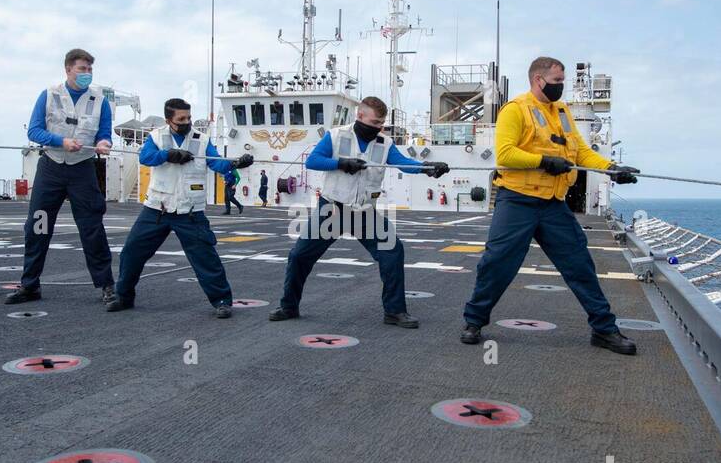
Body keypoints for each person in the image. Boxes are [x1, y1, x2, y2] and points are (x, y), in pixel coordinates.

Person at [461, 57, 641, 354]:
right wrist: (545, 162)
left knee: (579, 264)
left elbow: (581, 152)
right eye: (557, 81)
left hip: (552, 204)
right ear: (538, 80)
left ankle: (604, 329)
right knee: (497, 265)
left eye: (562, 81)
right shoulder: (515, 110)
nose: (561, 87)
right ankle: (474, 321)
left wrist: (612, 168)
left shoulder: (562, 111)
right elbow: (504, 155)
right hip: (517, 201)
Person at [268, 96, 448, 328]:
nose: (377, 128)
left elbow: (403, 163)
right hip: (332, 208)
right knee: (299, 256)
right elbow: (312, 161)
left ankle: (394, 312)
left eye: (381, 124)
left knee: (393, 251)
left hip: (365, 213)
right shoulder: (335, 135)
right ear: (360, 116)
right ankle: (288, 306)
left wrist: (427, 168)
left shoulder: (385, 143)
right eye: (374, 123)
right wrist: (340, 164)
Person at [107, 99, 254, 317]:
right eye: (181, 119)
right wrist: (168, 155)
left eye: (188, 118)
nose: (186, 122)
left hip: (190, 210)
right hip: (157, 208)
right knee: (132, 252)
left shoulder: (202, 140)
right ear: (169, 120)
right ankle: (123, 296)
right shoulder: (157, 137)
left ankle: (222, 301)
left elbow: (215, 163)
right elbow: (146, 158)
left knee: (205, 258)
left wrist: (234, 164)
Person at [7, 48, 116, 306]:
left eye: (90, 70)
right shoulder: (48, 95)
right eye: (82, 69)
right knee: (38, 226)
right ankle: (30, 285)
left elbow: (105, 133)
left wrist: (103, 143)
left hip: (82, 169)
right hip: (52, 168)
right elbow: (34, 131)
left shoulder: (99, 101)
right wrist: (60, 141)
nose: (87, 73)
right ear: (68, 69)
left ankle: (107, 286)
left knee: (92, 228)